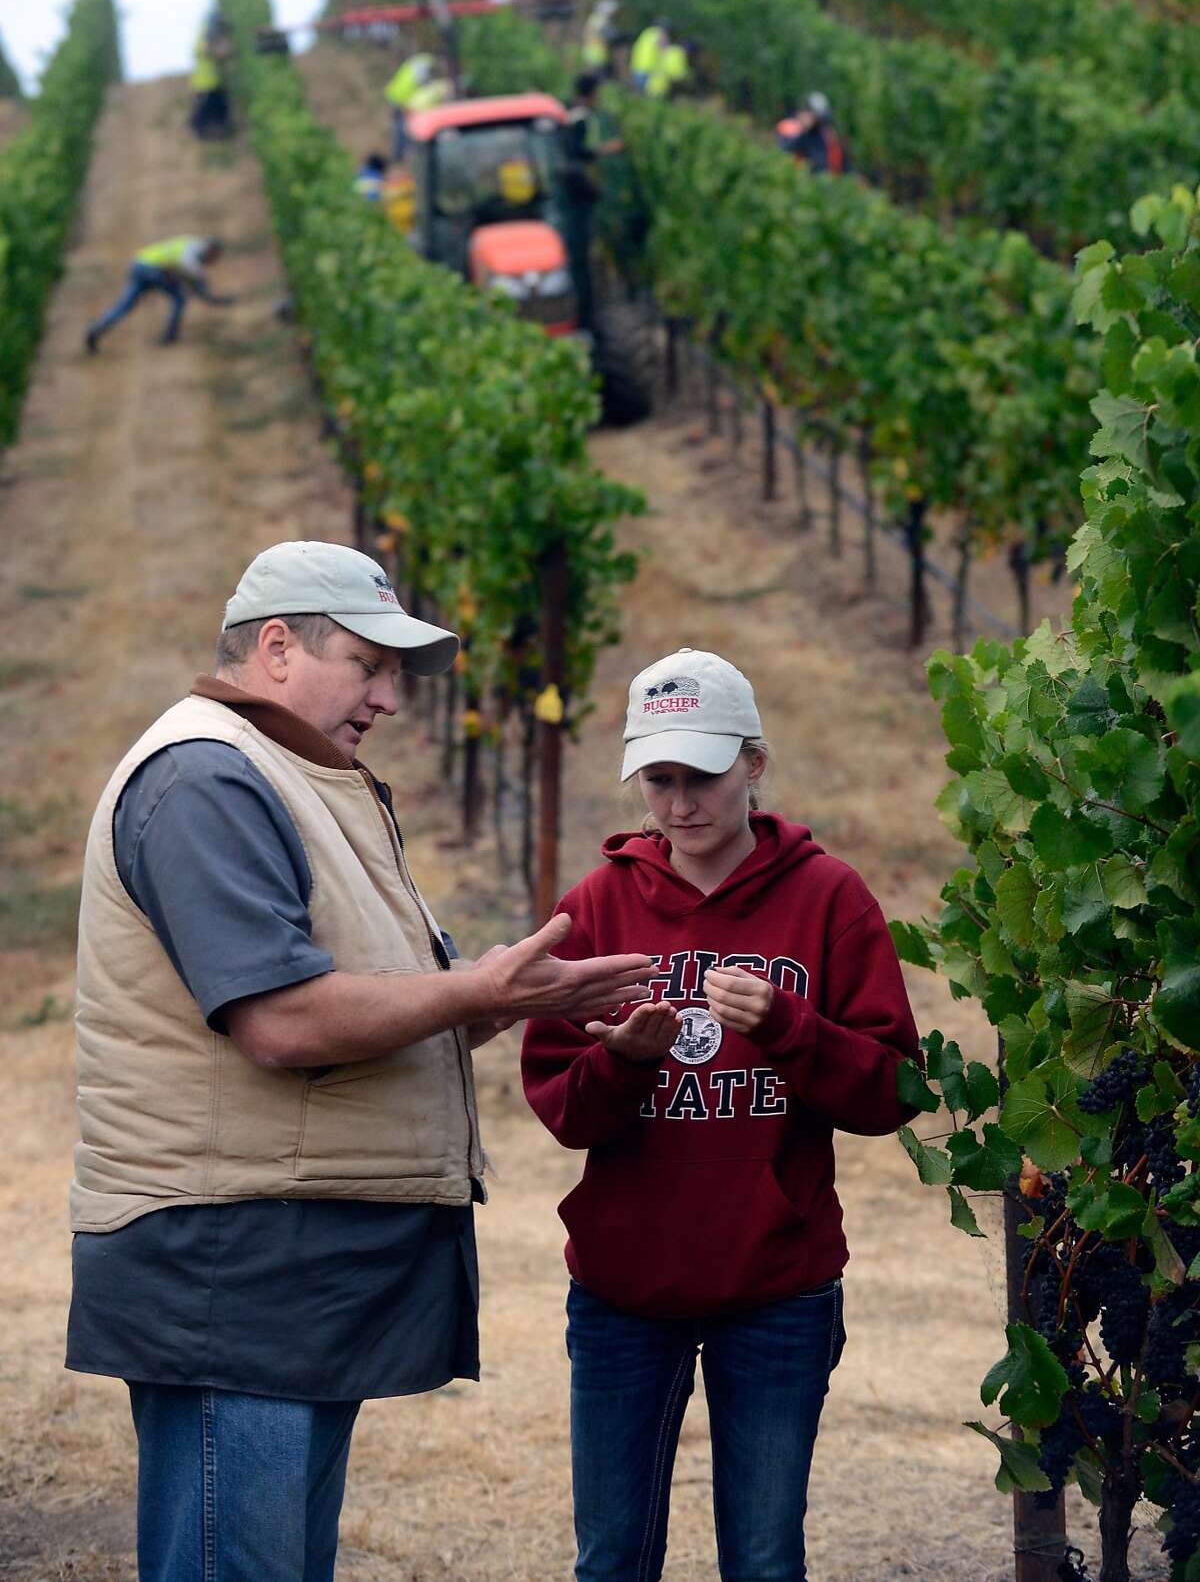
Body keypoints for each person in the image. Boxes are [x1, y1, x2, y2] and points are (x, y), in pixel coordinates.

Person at [67, 539, 653, 1582]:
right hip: (232, 1266)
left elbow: (376, 1006)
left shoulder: (303, 779)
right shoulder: (206, 777)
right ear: (279, 647)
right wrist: (479, 990)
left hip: (287, 1263)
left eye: (396, 673)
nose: (389, 697)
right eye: (370, 664)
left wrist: (517, 1000)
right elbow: (283, 1020)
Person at [521, 646, 920, 1582]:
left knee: (767, 1558)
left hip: (778, 1288)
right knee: (613, 1557)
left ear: (754, 764)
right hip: (624, 1290)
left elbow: (892, 1092)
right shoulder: (595, 907)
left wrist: (792, 1028)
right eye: (658, 779)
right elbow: (563, 1112)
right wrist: (621, 1065)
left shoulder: (829, 899)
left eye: (701, 774)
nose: (680, 803)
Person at [84, 236, 233, 352]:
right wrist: (212, 297)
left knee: (125, 305)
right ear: (210, 250)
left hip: (138, 264)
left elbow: (184, 275)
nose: (212, 261)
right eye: (214, 257)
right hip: (151, 270)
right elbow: (195, 279)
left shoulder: (190, 243)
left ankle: (97, 329)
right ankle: (170, 336)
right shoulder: (191, 257)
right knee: (179, 298)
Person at [561, 72, 623, 331]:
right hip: (576, 203)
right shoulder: (579, 120)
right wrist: (607, 150)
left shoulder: (574, 116)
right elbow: (577, 155)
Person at [384, 51, 451, 159]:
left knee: (401, 125)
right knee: (403, 126)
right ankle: (400, 155)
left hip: (397, 95)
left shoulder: (420, 60)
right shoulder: (424, 64)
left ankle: (400, 154)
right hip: (400, 98)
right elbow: (423, 81)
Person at [776, 91, 850, 175]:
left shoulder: (822, 134)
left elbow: (833, 163)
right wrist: (804, 129)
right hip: (795, 179)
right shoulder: (788, 127)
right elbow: (785, 150)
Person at [190, 14, 232, 140]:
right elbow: (207, 51)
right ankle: (202, 133)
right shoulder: (205, 36)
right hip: (204, 85)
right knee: (204, 112)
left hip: (215, 84)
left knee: (220, 109)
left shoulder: (209, 35)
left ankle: (219, 133)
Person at [630, 19, 669, 94]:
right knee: (648, 94)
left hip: (638, 66)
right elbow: (665, 51)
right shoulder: (660, 34)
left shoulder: (646, 33)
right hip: (650, 68)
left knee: (638, 92)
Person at [581, 0, 619, 75]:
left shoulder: (593, 19)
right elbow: (613, 36)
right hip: (598, 56)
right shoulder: (601, 21)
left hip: (590, 54)